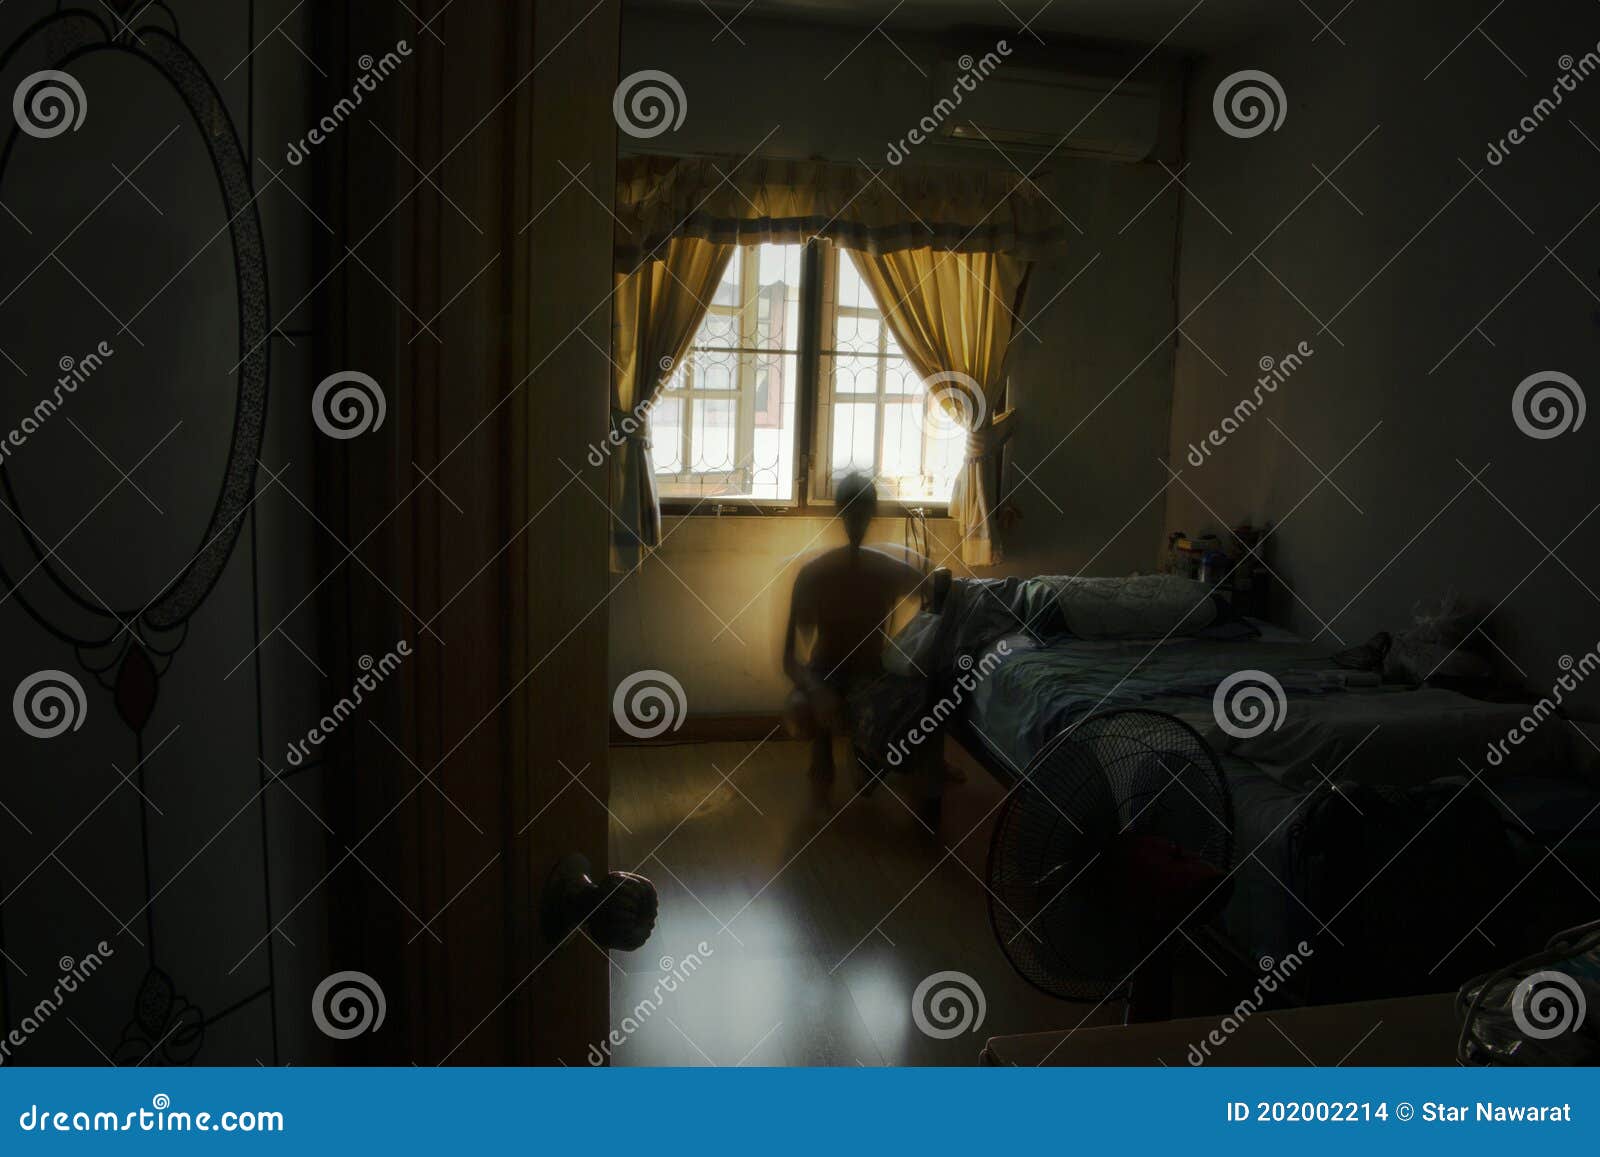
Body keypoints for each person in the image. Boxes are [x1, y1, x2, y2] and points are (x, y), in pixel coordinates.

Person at [781, 473, 924, 797]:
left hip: (873, 674)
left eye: (863, 512)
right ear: (840, 514)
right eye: (850, 512)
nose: (856, 520)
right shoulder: (815, 574)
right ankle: (823, 743)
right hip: (825, 672)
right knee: (802, 709)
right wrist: (816, 689)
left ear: (872, 515)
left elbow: (933, 590)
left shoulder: (885, 568)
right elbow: (789, 658)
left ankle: (868, 753)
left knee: (922, 708)